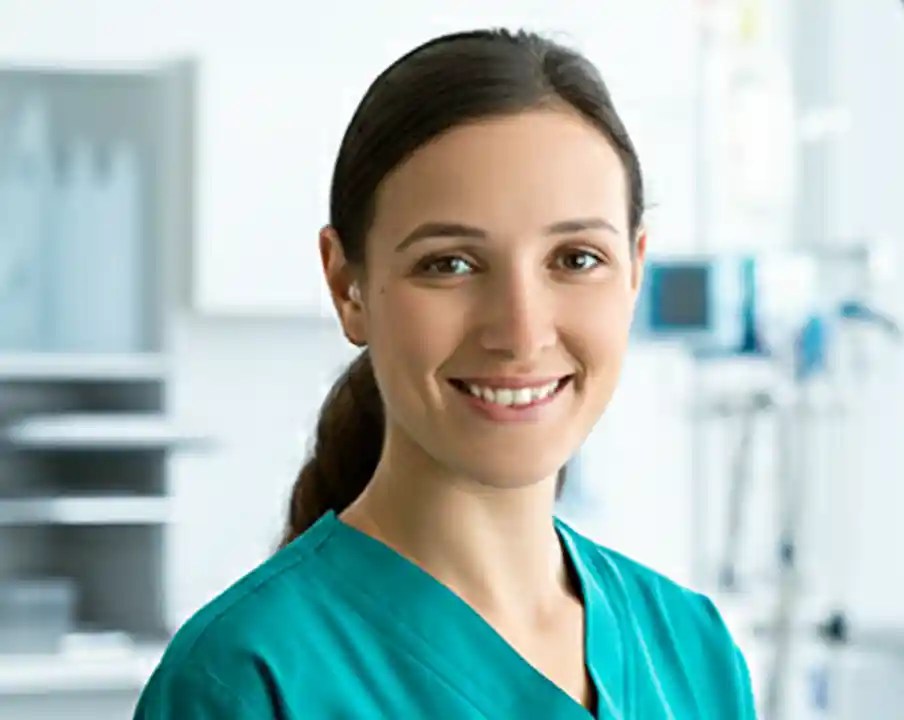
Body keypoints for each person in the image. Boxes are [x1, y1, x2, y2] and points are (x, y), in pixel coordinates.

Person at [133, 28, 756, 719]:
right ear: (348, 287)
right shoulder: (247, 681)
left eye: (576, 258)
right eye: (449, 263)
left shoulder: (692, 653)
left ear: (636, 269)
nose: (521, 332)